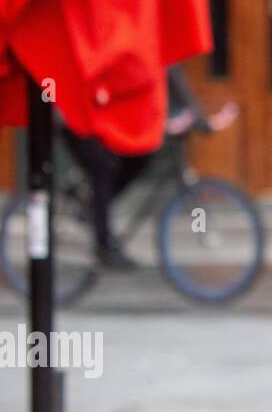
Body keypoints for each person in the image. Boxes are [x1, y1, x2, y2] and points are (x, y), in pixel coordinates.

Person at [64, 64, 211, 269]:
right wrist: (194, 114)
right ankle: (103, 244)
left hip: (106, 110)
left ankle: (92, 208)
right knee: (102, 167)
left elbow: (168, 73)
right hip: (79, 110)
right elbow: (167, 71)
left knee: (140, 156)